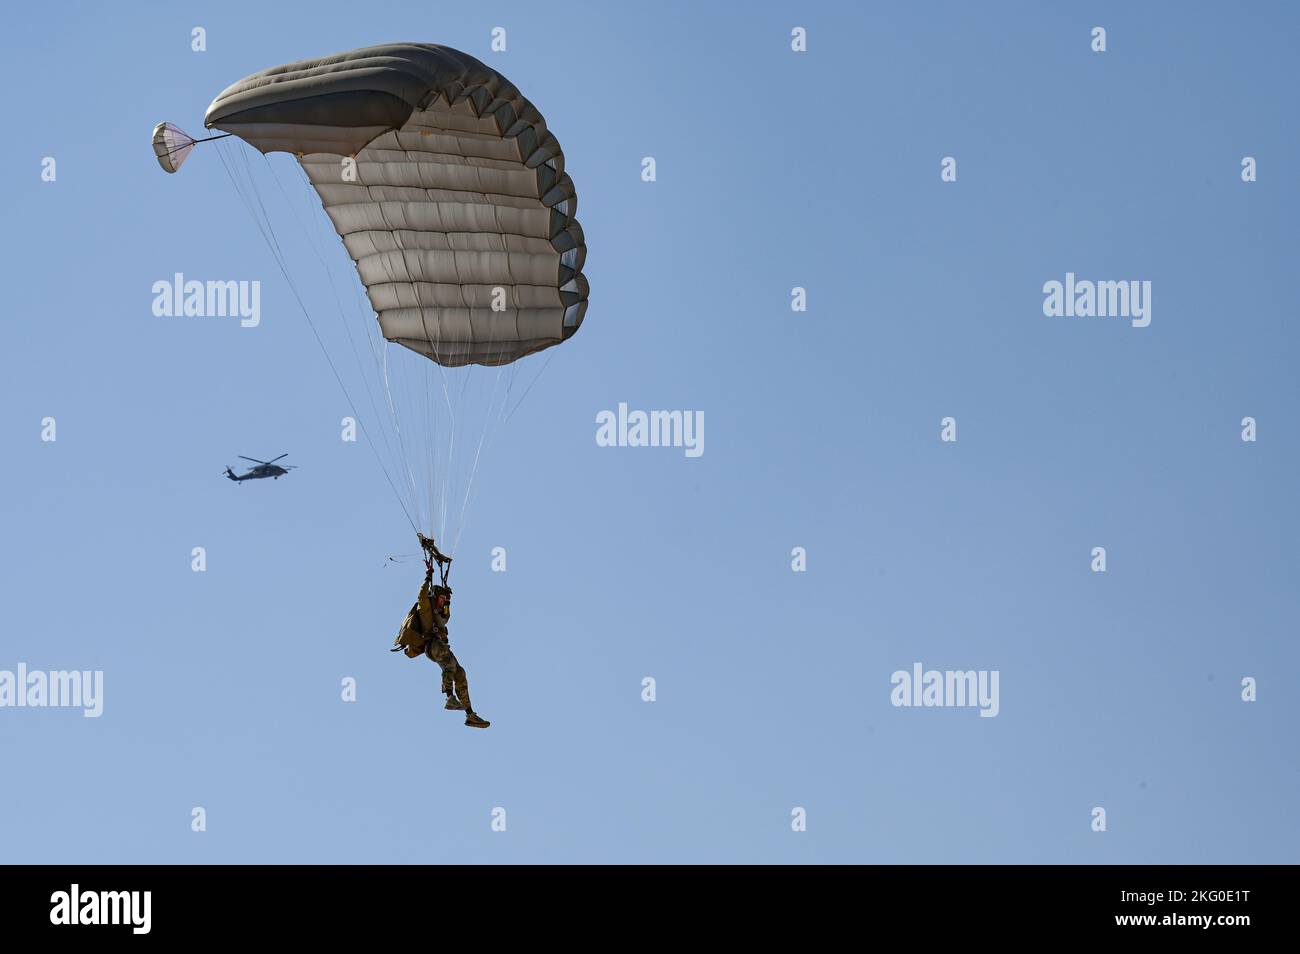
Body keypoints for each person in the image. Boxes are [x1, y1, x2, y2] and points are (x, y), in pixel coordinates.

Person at [392, 535, 490, 728]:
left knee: (460, 673)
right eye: (442, 599)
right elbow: (422, 596)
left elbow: (445, 608)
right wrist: (428, 577)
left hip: (440, 645)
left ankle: (470, 714)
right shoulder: (427, 609)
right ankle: (449, 697)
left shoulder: (441, 613)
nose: (444, 602)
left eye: (446, 600)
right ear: (436, 597)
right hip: (432, 644)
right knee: (449, 663)